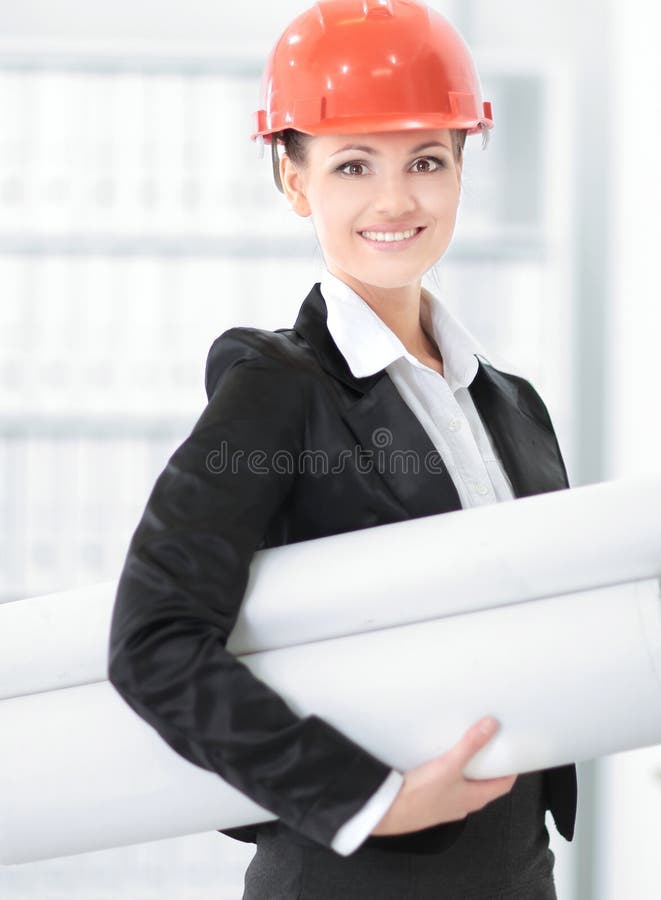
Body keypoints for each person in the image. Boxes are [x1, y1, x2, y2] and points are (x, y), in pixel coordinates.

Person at [108, 1, 577, 897]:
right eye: (353, 165)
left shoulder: (510, 403)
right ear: (294, 182)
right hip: (355, 871)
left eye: (427, 161)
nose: (396, 199)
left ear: (461, 169)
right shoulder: (277, 388)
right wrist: (366, 800)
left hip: (516, 867)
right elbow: (153, 640)